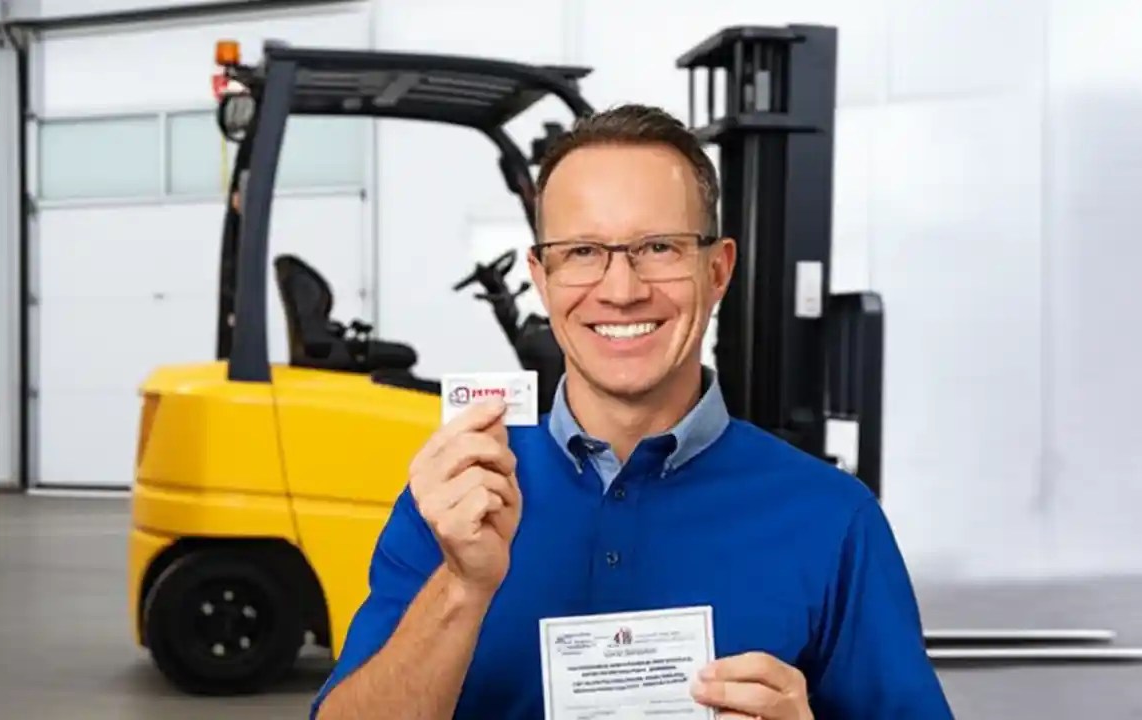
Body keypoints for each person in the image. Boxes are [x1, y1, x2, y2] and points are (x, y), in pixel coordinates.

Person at [311, 104, 954, 719]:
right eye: (584, 252)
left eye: (659, 248)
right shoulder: (460, 496)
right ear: (542, 277)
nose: (621, 291)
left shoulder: (833, 519)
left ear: (718, 269)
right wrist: (461, 585)